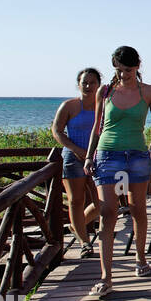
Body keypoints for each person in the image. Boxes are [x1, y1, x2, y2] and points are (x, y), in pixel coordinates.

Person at [84, 46, 151, 299]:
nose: (124, 75)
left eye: (129, 70)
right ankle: (105, 277)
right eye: (119, 70)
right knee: (107, 213)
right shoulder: (106, 91)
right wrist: (89, 156)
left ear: (138, 66)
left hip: (137, 155)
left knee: (138, 209)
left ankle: (140, 257)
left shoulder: (150, 92)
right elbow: (97, 128)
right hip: (107, 154)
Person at [50, 67, 103, 255]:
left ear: (99, 84)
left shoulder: (104, 106)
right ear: (78, 85)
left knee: (101, 202)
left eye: (92, 82)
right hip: (73, 157)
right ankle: (84, 243)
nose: (88, 86)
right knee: (76, 200)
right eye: (84, 83)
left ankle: (77, 227)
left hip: (98, 158)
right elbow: (56, 131)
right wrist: (76, 149)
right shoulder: (69, 106)